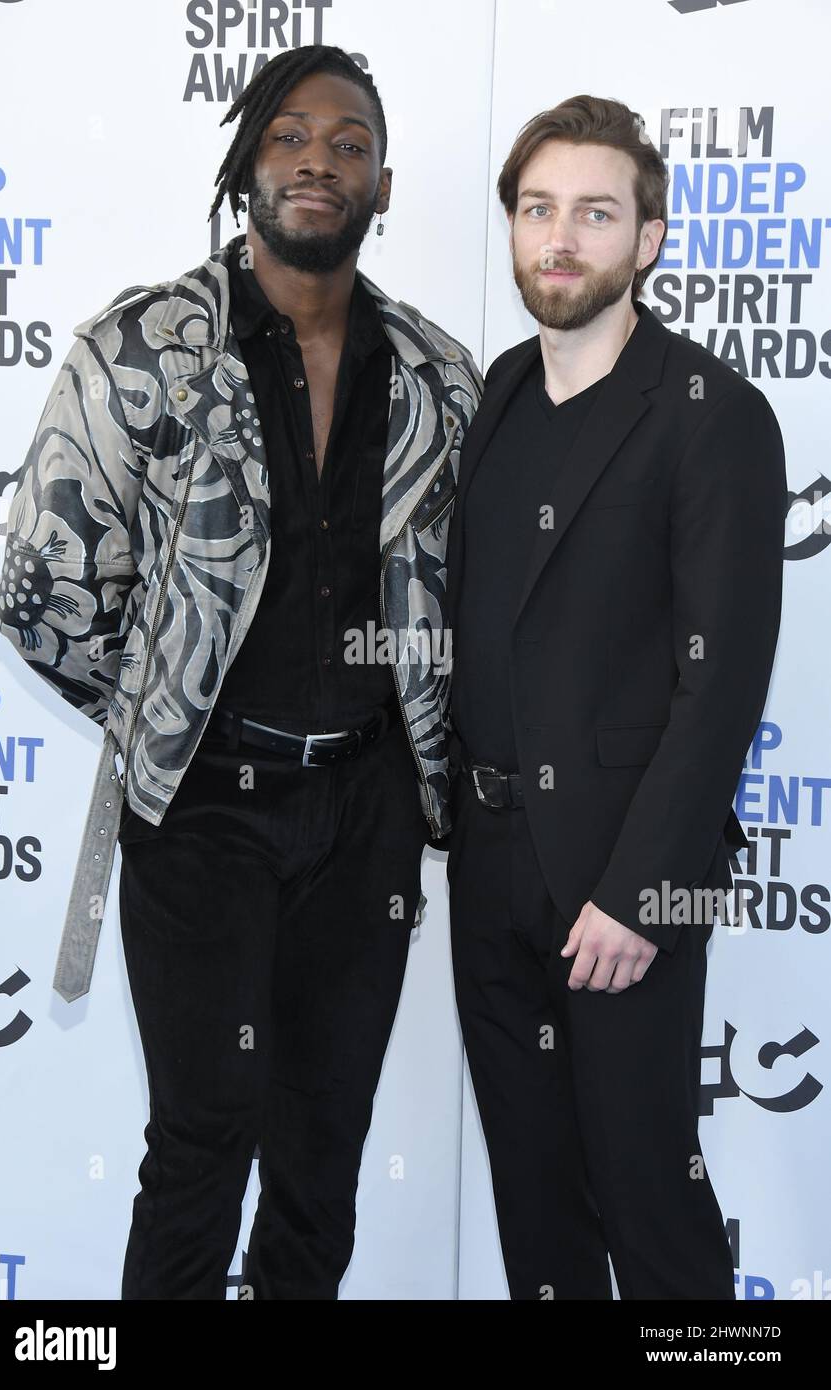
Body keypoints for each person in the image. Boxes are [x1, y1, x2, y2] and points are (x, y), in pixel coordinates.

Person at [0, 43, 481, 1299]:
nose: (320, 158)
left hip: (367, 813)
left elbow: (466, 596)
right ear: (245, 164)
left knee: (322, 1153)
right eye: (290, 135)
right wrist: (171, 706)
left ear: (381, 186)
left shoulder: (436, 375)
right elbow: (45, 594)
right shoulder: (138, 351)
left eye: (351, 143)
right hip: (203, 810)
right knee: (202, 1146)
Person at [444, 94, 787, 1300]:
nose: (559, 236)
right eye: (537, 209)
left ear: (646, 237)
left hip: (618, 892)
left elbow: (721, 683)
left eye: (594, 212)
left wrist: (637, 893)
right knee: (534, 1212)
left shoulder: (710, 415)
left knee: (651, 1208)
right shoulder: (497, 394)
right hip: (488, 872)